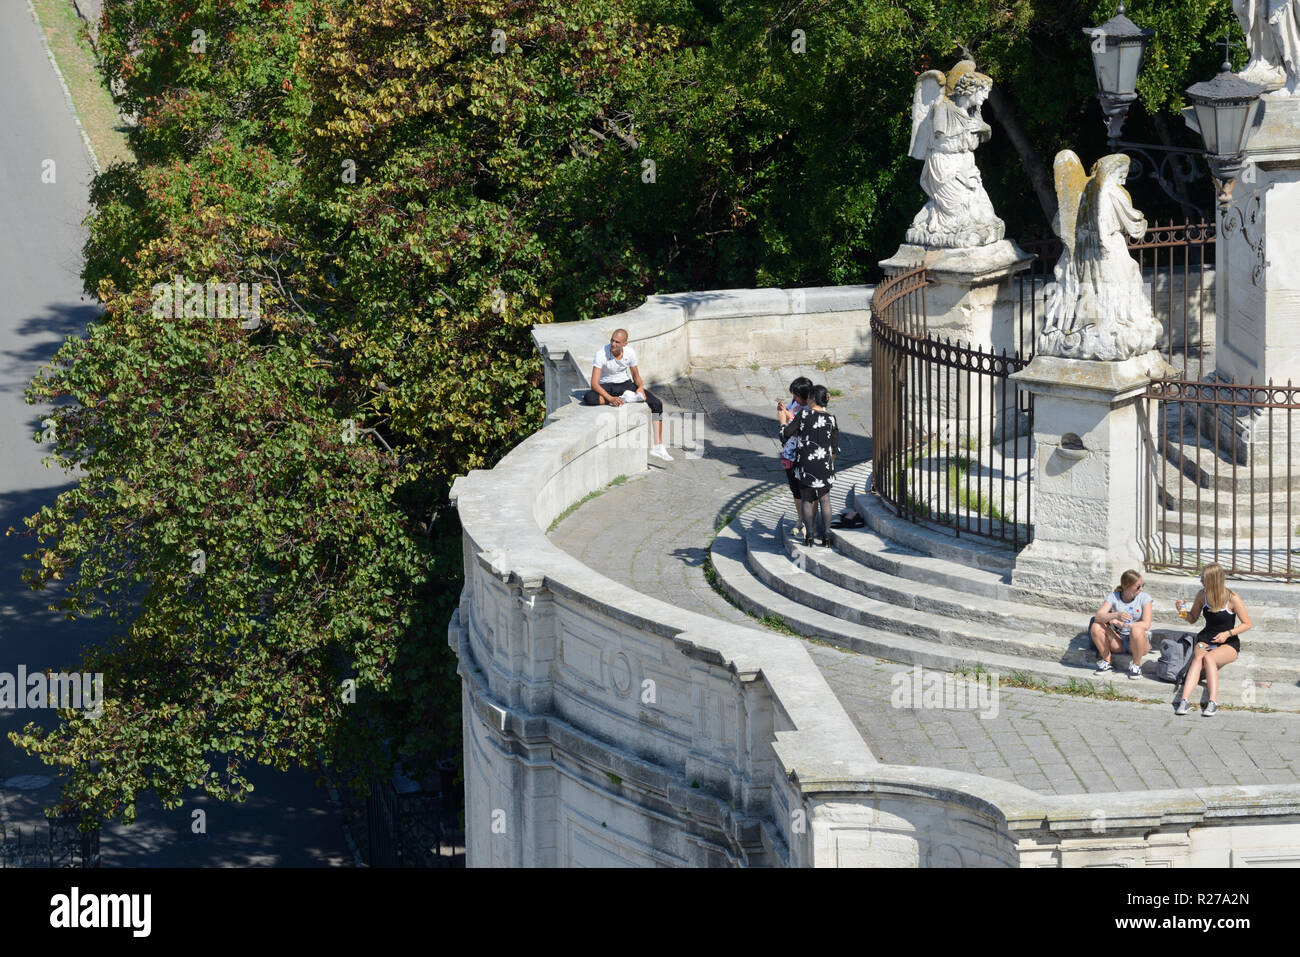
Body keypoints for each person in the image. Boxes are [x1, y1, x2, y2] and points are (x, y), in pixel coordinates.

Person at [1174, 563, 1252, 716]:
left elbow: (1247, 624)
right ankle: (1184, 700)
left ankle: (1212, 701)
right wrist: (1181, 611)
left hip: (1228, 642)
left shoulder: (1232, 598)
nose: (1201, 581)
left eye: (1203, 578)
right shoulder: (1201, 595)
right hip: (1206, 638)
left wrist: (1227, 633)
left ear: (1213, 580)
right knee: (1198, 659)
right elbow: (1192, 619)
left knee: (1209, 658)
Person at [583, 328, 673, 461]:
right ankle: (626, 399)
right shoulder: (601, 353)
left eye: (617, 342)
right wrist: (610, 399)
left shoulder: (630, 353)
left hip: (624, 384)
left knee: (656, 403)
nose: (613, 344)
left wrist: (641, 387)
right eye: (612, 340)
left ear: (625, 344)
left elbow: (635, 375)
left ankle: (658, 446)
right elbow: (594, 384)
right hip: (606, 386)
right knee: (589, 398)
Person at [779, 384, 839, 547]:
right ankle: (826, 536)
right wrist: (829, 464)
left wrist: (783, 421)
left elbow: (785, 436)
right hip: (825, 466)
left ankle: (810, 535)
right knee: (825, 500)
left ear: (812, 398)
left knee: (807, 499)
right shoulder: (831, 419)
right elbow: (834, 448)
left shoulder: (804, 415)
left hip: (806, 466)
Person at [1089, 569, 1152, 678]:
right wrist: (1115, 615)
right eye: (1138, 586)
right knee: (1096, 625)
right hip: (1119, 640)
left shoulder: (1144, 598)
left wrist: (1124, 625)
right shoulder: (1114, 596)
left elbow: (1146, 624)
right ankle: (1107, 661)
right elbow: (1098, 616)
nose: (1141, 589)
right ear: (1127, 586)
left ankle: (1136, 665)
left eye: (1142, 585)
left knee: (1136, 629)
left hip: (1138, 641)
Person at [777, 377, 813, 538]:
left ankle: (808, 522)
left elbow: (788, 433)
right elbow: (791, 413)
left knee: (807, 490)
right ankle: (801, 519)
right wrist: (785, 411)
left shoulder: (810, 410)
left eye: (797, 395)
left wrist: (783, 421)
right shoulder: (795, 403)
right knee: (796, 490)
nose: (795, 399)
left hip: (801, 455)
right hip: (789, 455)